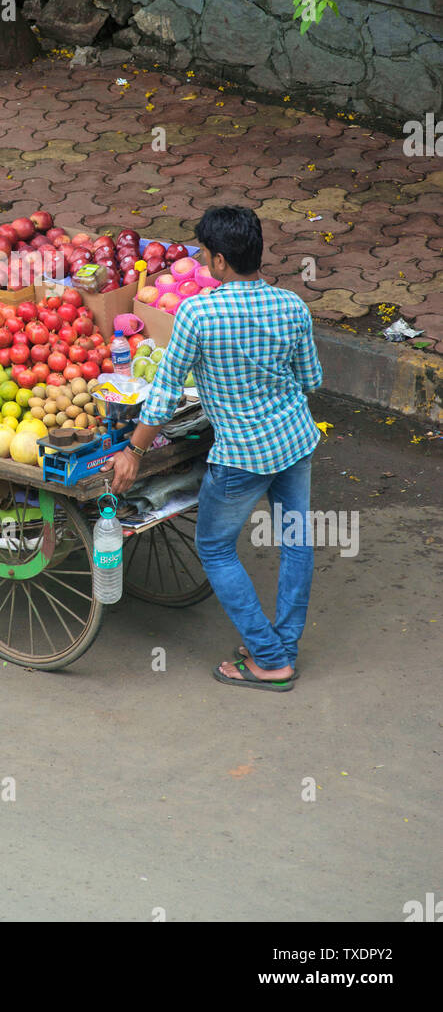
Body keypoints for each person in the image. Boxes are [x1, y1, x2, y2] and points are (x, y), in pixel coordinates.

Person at [108, 205, 323, 692]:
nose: (204, 262)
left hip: (243, 453)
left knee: (214, 547)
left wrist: (134, 451)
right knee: (295, 544)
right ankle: (281, 647)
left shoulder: (199, 312)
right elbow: (311, 379)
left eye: (205, 254)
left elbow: (162, 395)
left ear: (221, 261)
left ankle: (270, 660)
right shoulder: (292, 306)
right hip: (295, 439)